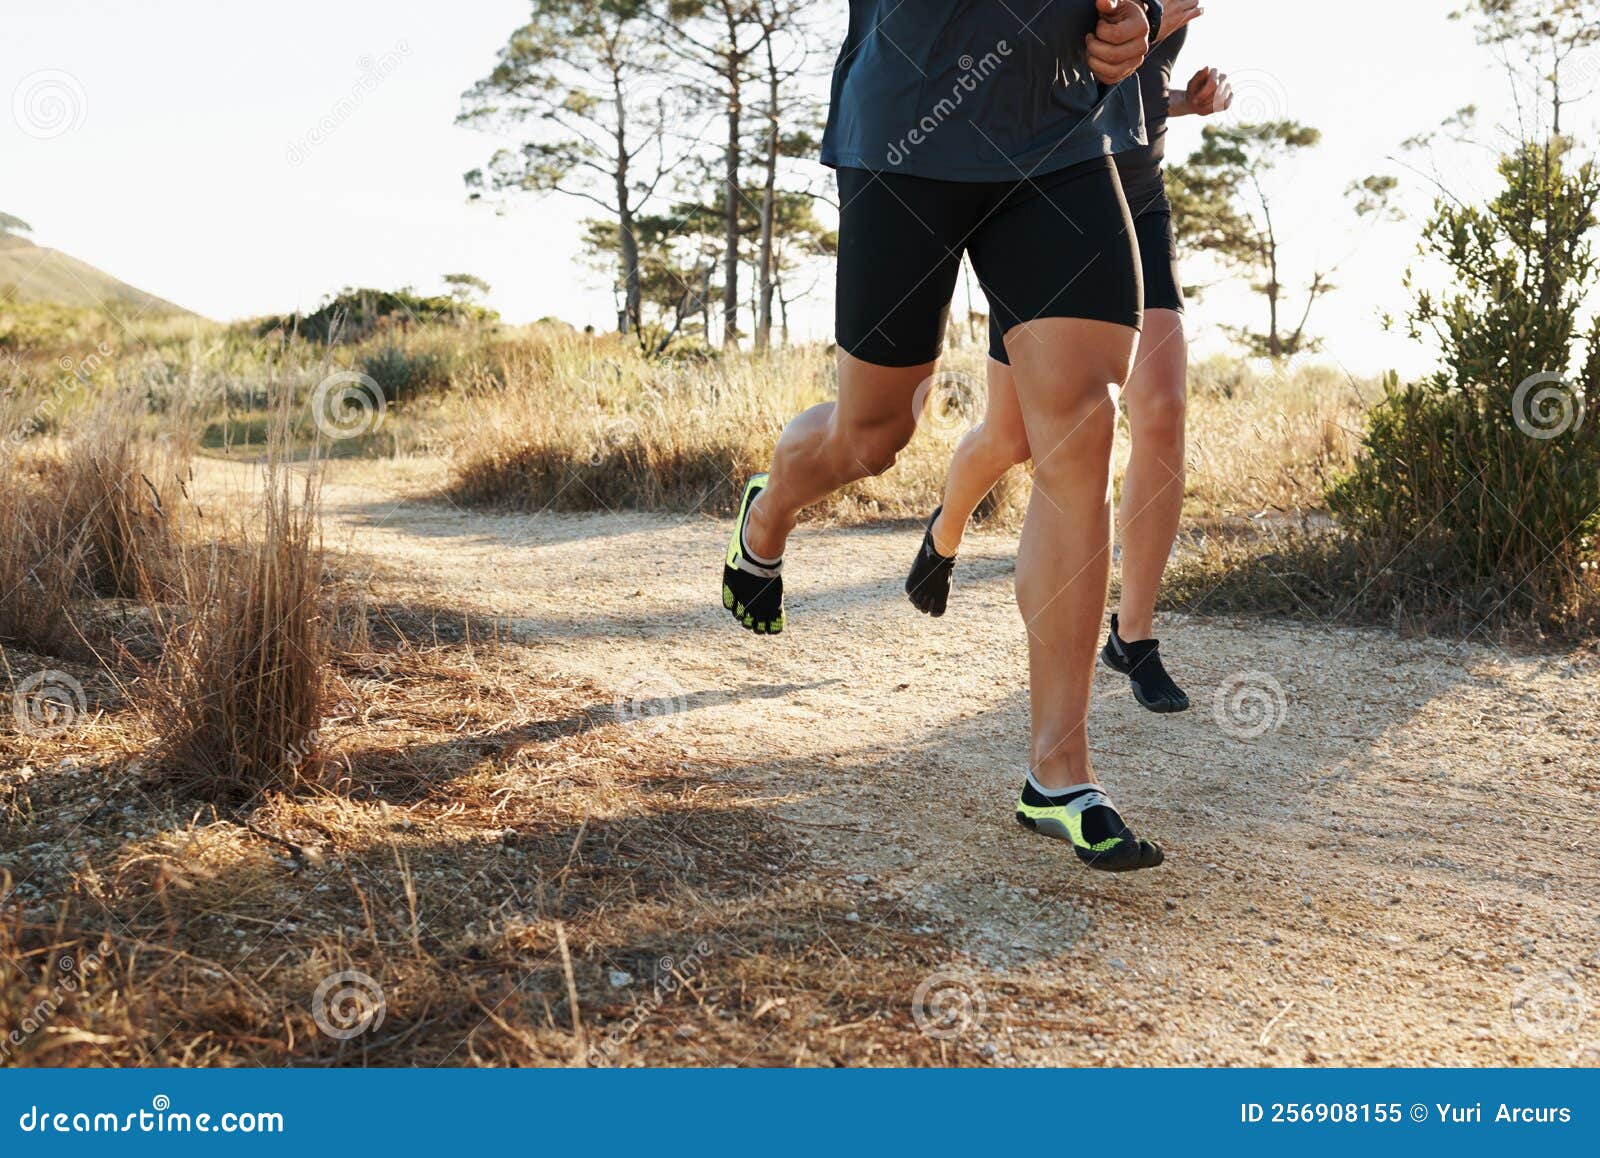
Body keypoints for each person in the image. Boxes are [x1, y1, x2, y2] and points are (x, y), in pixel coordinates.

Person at [722, 0, 1193, 873]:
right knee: (874, 433)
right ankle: (769, 512)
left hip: (1057, 134)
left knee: (1084, 423)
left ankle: (1058, 774)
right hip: (908, 129)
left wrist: (1138, 17)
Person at [905, 15, 1232, 718]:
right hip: (1050, 200)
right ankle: (945, 533)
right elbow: (1036, 62)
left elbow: (1129, 83)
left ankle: (1134, 635)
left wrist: (1187, 103)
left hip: (1140, 201)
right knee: (1011, 437)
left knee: (1163, 408)